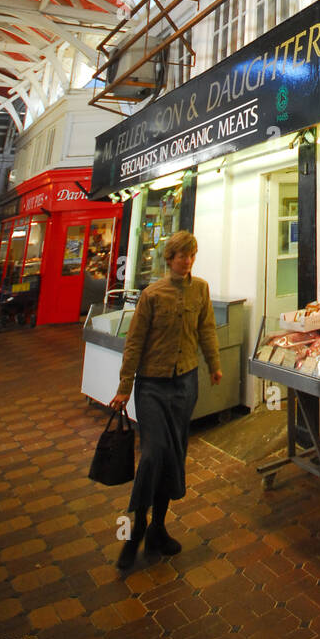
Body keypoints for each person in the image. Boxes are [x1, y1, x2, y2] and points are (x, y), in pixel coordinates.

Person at [108, 231, 222, 570]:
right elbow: (135, 343)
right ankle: (137, 526)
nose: (187, 261)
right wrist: (124, 387)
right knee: (154, 452)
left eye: (192, 255)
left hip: (185, 384)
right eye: (181, 255)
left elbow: (207, 329)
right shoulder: (152, 295)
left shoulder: (200, 289)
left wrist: (214, 365)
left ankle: (159, 527)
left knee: (174, 455)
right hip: (152, 387)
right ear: (169, 258)